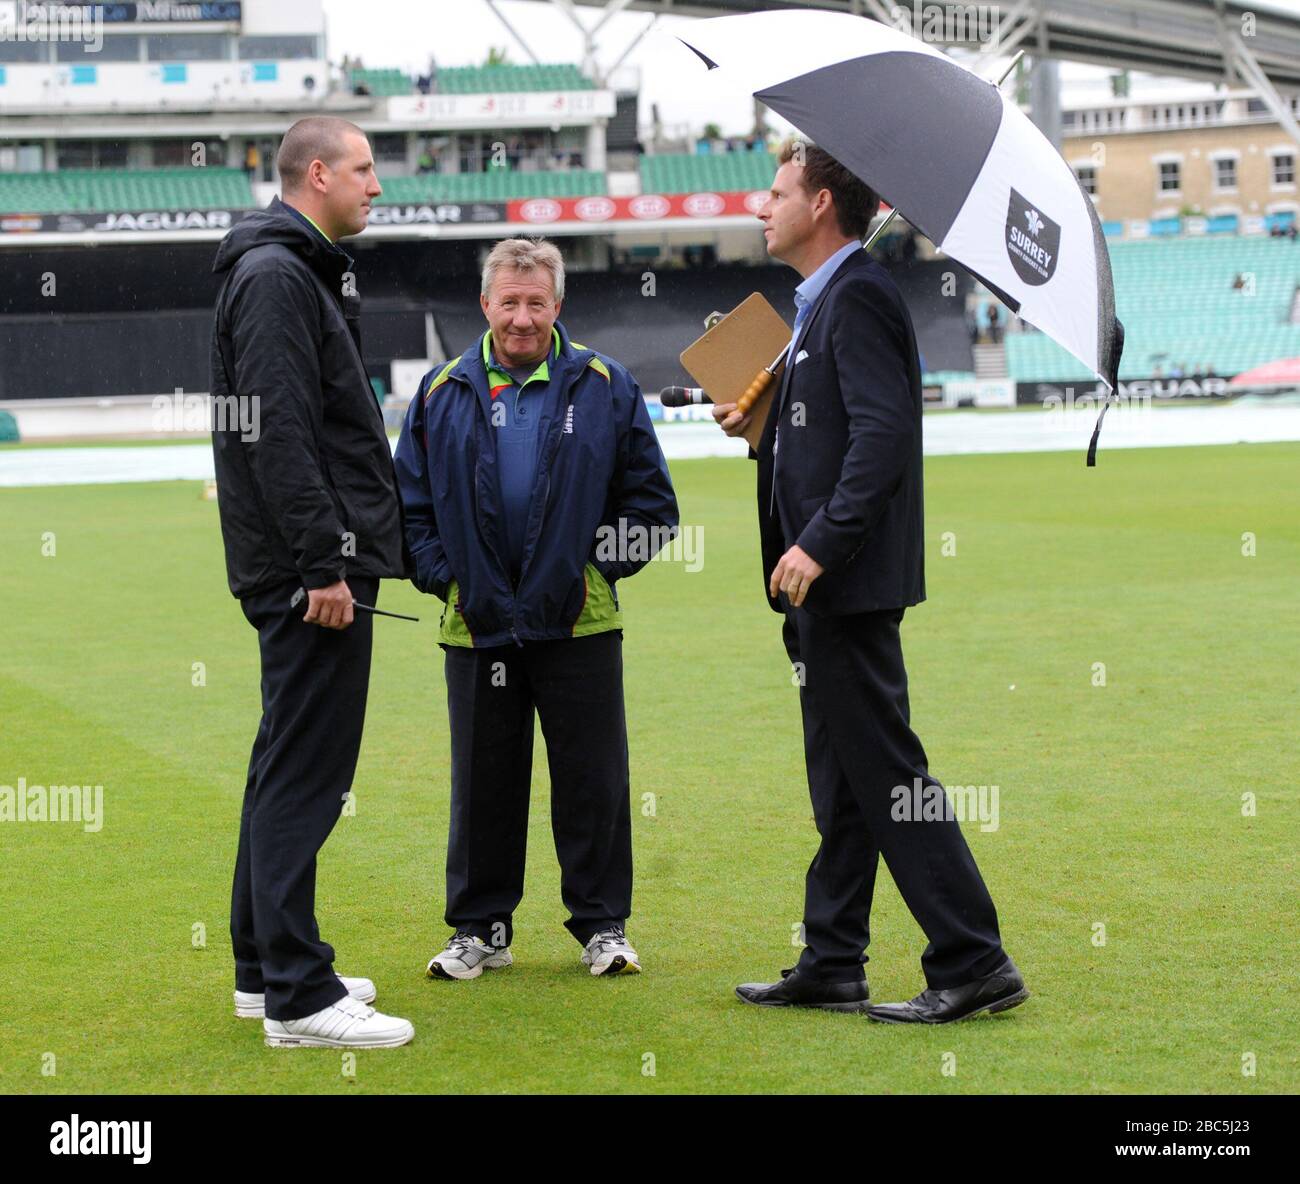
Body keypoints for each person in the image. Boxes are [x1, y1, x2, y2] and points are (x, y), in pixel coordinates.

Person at [713, 139, 1026, 1023]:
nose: (760, 206)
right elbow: (828, 440)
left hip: (842, 582)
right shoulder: (821, 305)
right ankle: (833, 958)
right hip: (818, 586)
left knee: (888, 774)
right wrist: (760, 433)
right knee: (846, 779)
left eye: (776, 192)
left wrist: (819, 543)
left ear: (819, 206)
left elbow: (883, 441)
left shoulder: (859, 299)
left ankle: (973, 959)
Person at [394, 237, 678, 982]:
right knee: (483, 784)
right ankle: (479, 930)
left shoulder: (605, 384)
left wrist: (593, 574)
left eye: (536, 302)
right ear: (485, 304)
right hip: (478, 623)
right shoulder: (440, 391)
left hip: (578, 623)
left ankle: (603, 928)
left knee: (594, 783)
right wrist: (447, 583)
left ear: (558, 305)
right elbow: (407, 513)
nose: (522, 317)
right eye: (509, 302)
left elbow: (651, 507)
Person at [210, 116, 415, 1049]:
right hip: (310, 573)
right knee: (307, 775)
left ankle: (263, 969)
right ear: (320, 172)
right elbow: (278, 435)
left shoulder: (289, 269)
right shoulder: (276, 276)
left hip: (304, 563)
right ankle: (298, 994)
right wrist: (325, 563)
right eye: (366, 169)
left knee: (283, 763)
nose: (378, 185)